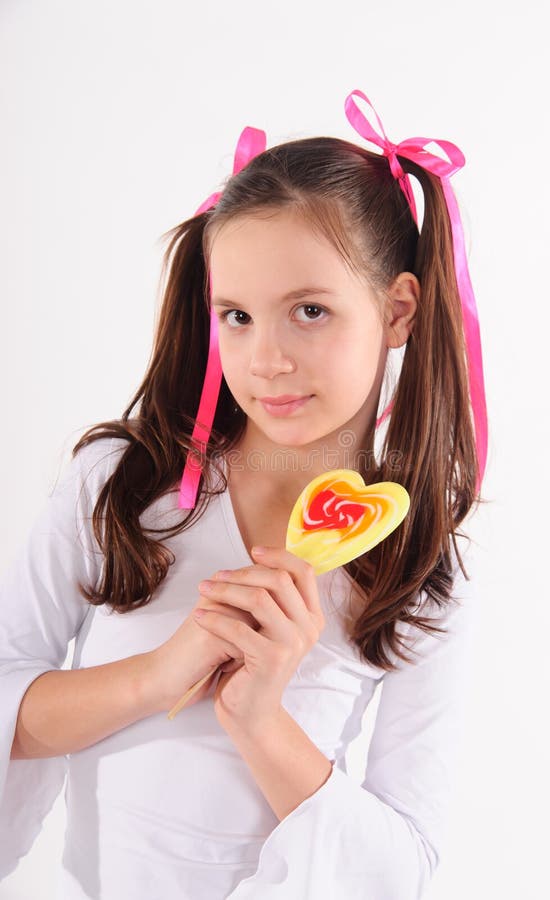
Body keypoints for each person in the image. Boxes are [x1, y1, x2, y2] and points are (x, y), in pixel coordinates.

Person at [0, 90, 487, 899]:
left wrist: (258, 718)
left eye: (308, 311)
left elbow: (399, 868)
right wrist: (160, 675)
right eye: (237, 315)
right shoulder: (123, 486)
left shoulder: (416, 571)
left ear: (396, 308)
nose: (266, 360)